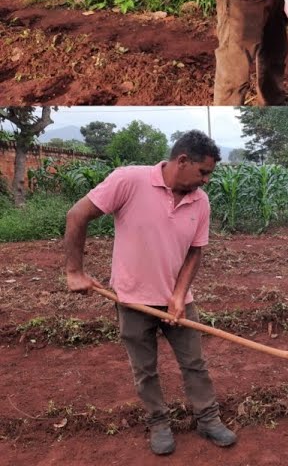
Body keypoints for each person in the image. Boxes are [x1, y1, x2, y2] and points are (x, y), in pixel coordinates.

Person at [63, 131, 237, 455]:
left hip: (178, 302)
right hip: (131, 299)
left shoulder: (201, 201)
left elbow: (195, 252)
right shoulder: (128, 180)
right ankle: (159, 423)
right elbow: (77, 215)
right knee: (145, 369)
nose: (207, 180)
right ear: (182, 161)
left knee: (195, 363)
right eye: (203, 172)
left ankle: (208, 418)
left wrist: (178, 294)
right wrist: (74, 271)